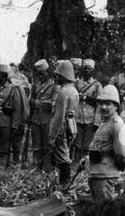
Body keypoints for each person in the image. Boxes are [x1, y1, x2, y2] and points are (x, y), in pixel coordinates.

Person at [87, 84, 125, 201]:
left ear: (116, 106)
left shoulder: (117, 125)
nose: (103, 107)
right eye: (101, 103)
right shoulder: (104, 123)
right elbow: (99, 147)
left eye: (108, 104)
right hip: (96, 174)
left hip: (105, 176)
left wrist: (116, 169)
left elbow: (121, 155)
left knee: (105, 213)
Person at [49, 59, 80, 188]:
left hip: (62, 128)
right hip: (71, 127)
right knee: (65, 154)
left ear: (63, 76)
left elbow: (59, 116)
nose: (55, 77)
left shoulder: (63, 92)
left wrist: (52, 136)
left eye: (57, 75)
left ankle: (64, 185)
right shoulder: (74, 91)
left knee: (63, 157)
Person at [27, 59, 56, 170]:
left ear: (48, 72)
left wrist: (37, 103)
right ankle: (36, 167)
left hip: (48, 119)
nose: (40, 76)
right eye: (38, 74)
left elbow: (52, 104)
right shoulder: (35, 85)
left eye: (42, 73)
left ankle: (47, 168)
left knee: (47, 146)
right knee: (36, 146)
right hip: (36, 119)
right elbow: (30, 101)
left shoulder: (54, 86)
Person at [74, 59, 101, 155]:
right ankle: (76, 163)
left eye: (89, 69)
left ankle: (85, 164)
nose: (87, 71)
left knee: (87, 145)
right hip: (78, 117)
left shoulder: (97, 85)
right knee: (77, 143)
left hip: (90, 118)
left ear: (92, 70)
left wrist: (97, 122)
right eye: (85, 69)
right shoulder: (76, 84)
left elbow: (99, 104)